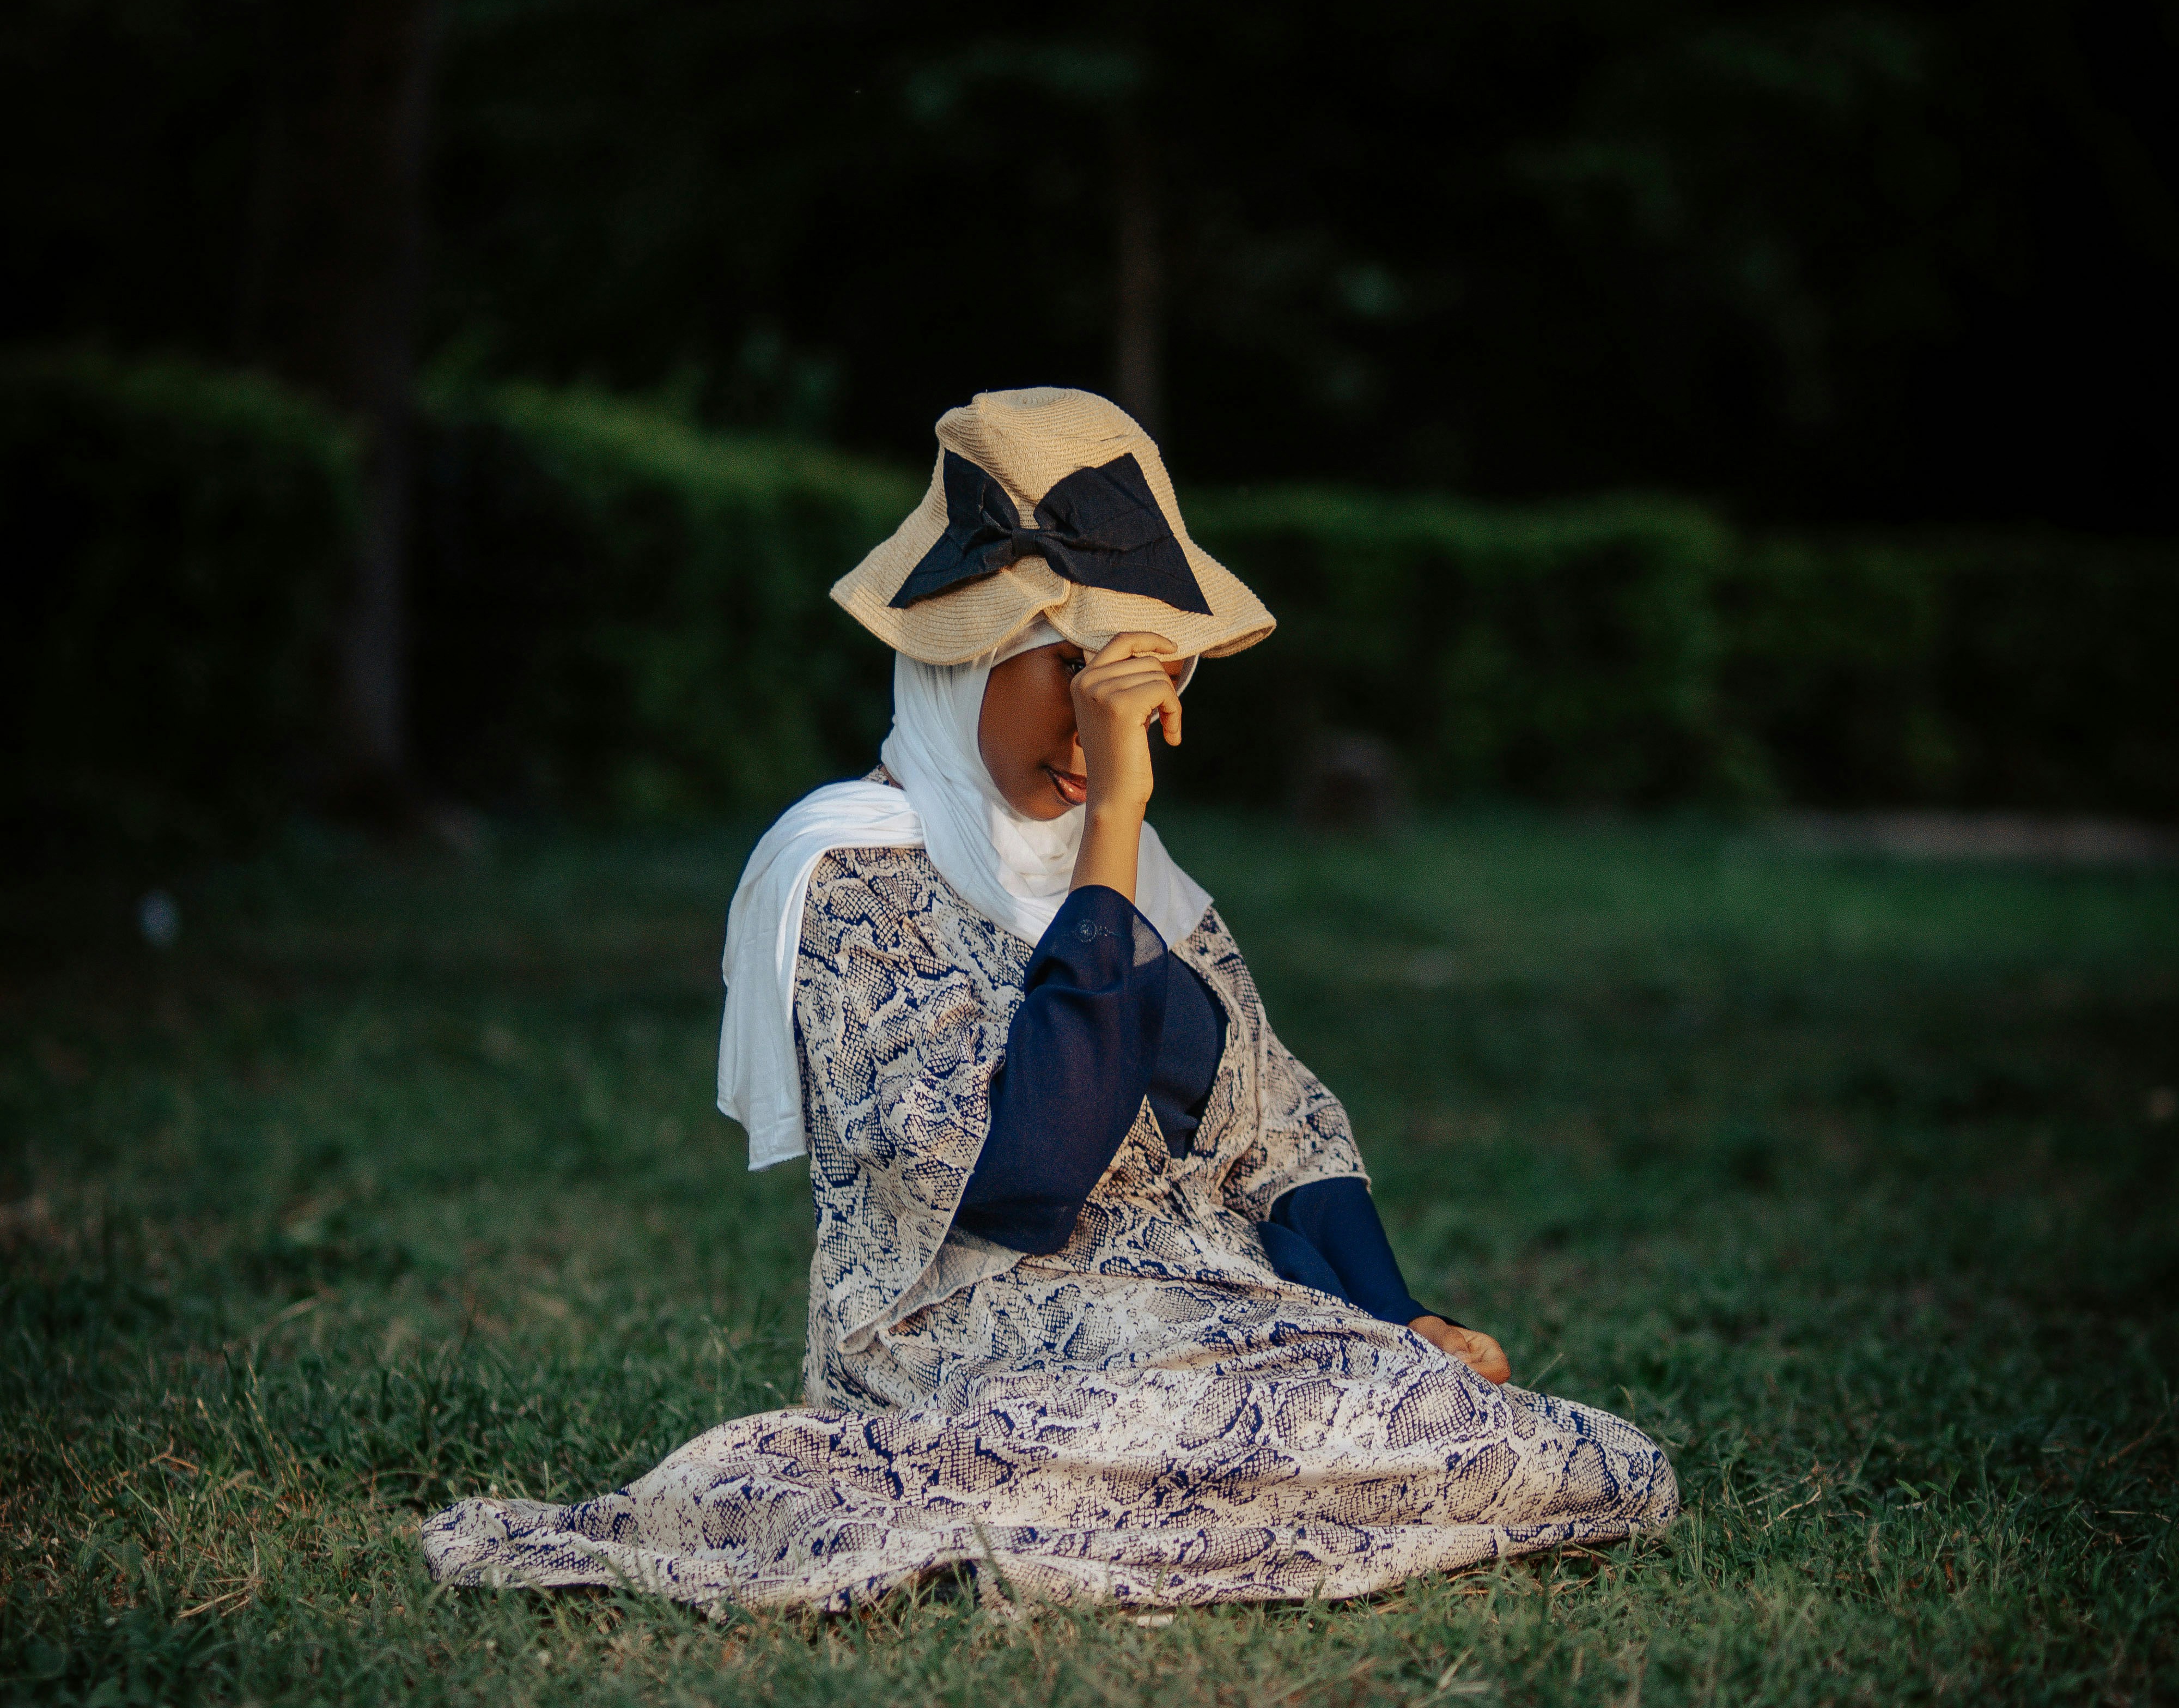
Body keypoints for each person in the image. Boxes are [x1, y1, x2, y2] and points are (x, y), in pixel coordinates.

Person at [421, 387, 1676, 1610]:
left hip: (1226, 1324)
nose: (1101, 722)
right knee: (1366, 1424)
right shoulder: (847, 872)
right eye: (1070, 669)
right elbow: (1026, 1175)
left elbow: (1284, 1130)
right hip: (977, 1360)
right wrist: (1113, 833)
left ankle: (1140, 1504)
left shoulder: (1157, 892)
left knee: (1600, 1460)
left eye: (1133, 677)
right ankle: (934, 1492)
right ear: (963, 662)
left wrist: (1405, 1319)